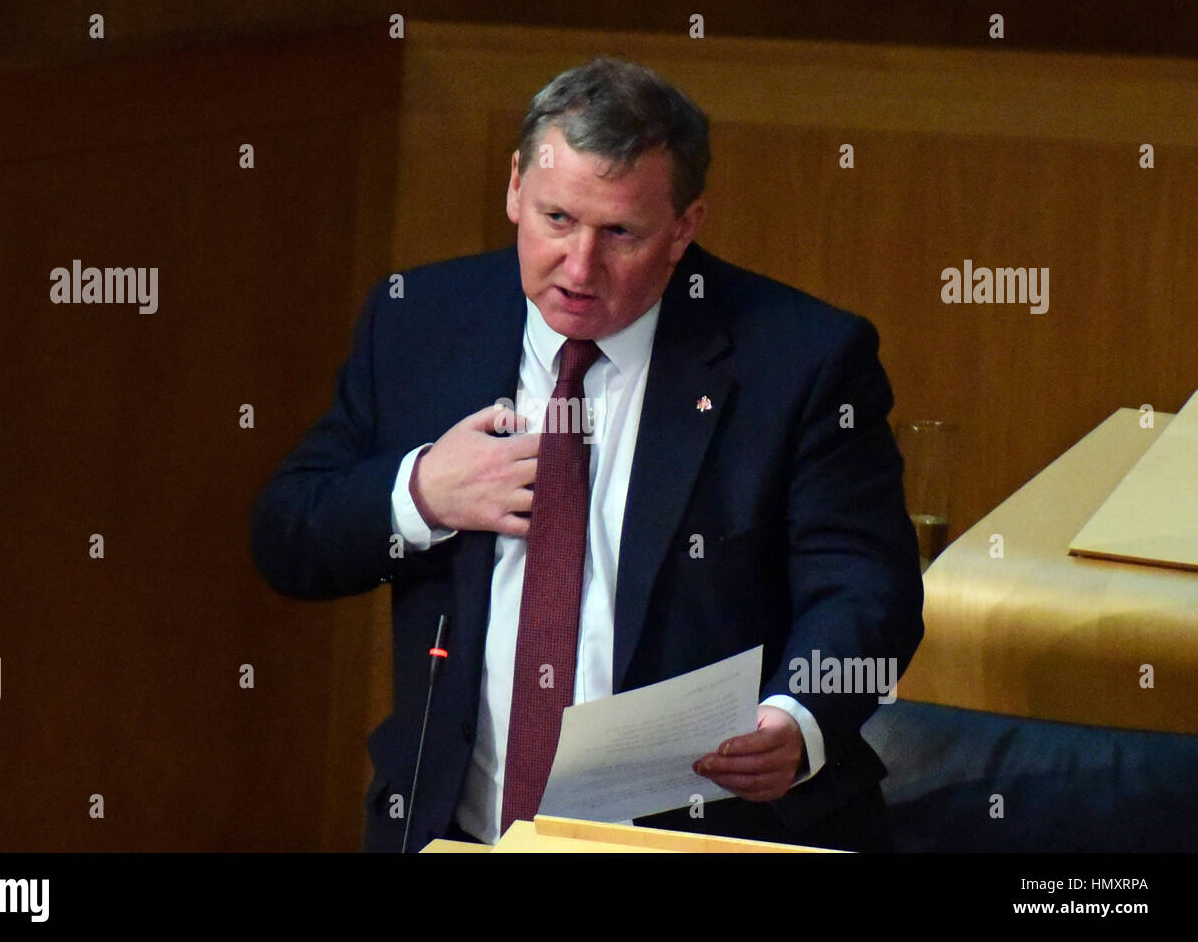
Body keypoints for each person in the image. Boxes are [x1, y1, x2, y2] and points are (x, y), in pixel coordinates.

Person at [250, 56, 923, 853]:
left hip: (707, 834)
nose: (578, 267)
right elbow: (289, 536)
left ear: (684, 227)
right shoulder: (420, 323)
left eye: (620, 234)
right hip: (459, 833)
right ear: (515, 188)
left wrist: (797, 719)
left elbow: (865, 588)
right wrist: (421, 494)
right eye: (557, 219)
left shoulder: (799, 358)